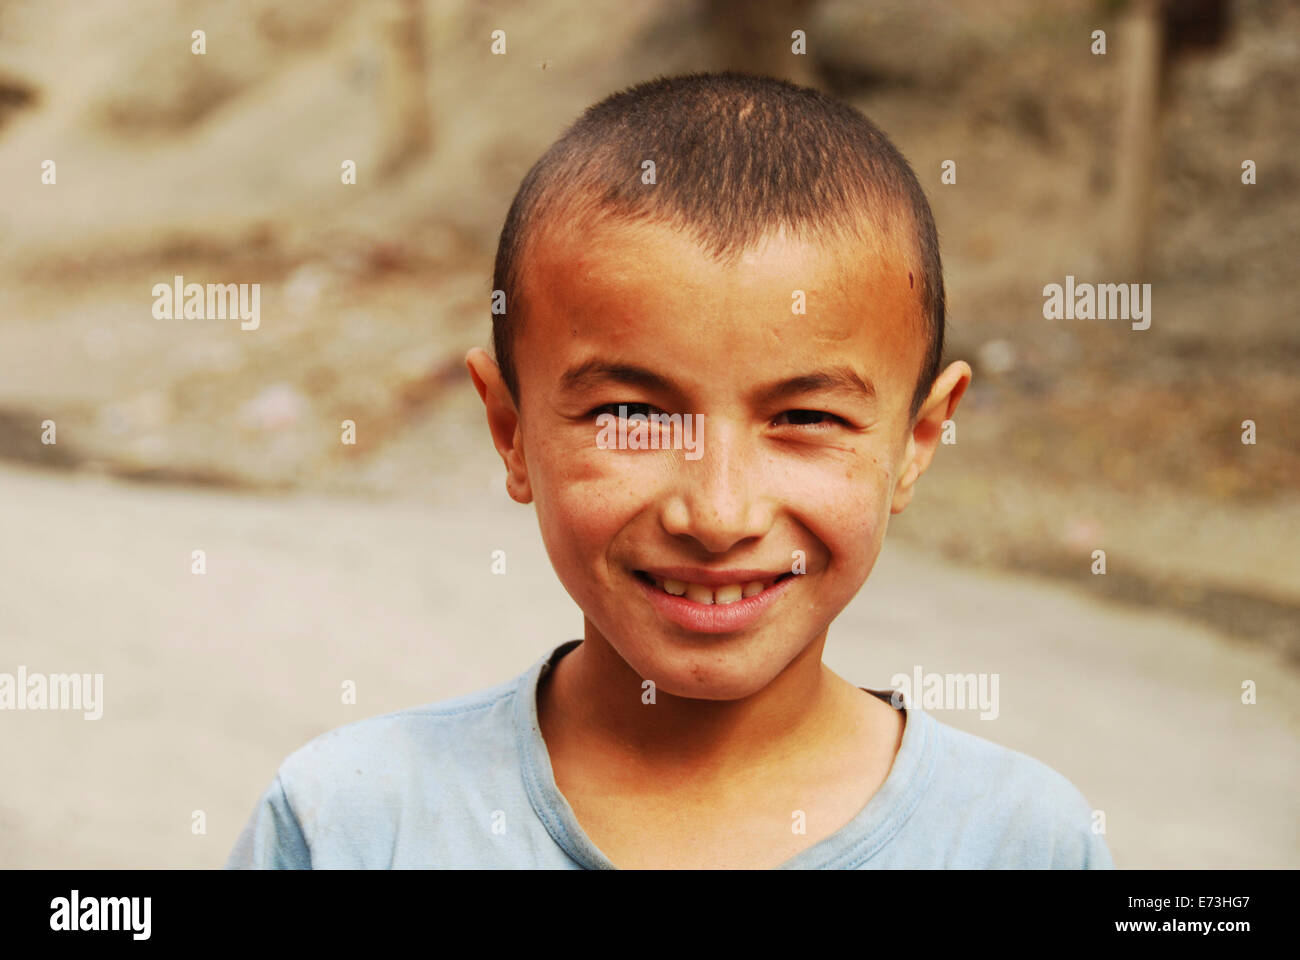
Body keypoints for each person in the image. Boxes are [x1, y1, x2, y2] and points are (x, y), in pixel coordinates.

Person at [227, 72, 1113, 869]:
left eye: (805, 419)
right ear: (510, 429)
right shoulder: (352, 826)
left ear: (917, 441)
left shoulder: (1020, 842)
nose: (718, 513)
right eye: (633, 416)